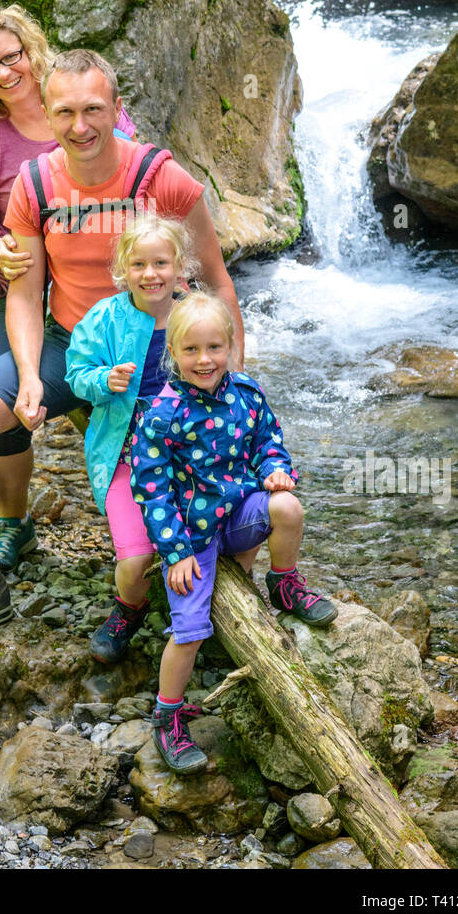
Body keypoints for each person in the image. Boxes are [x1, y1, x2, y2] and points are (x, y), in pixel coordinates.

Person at [0, 49, 244, 650]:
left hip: (167, 350)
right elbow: (24, 292)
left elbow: (215, 281)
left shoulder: (161, 178)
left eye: (93, 110)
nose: (80, 126)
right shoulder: (35, 184)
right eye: (65, 112)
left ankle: (221, 578)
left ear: (116, 108)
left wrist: (232, 383)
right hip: (71, 346)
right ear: (49, 114)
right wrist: (30, 376)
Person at [0, 5, 136, 574]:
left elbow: (133, 182)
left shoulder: (81, 110)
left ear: (32, 51)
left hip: (84, 296)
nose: (4, 73)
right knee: (0, 418)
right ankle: (12, 524)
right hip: (4, 289)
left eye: (12, 57)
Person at [130, 291, 336, 775]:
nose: (204, 360)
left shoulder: (246, 393)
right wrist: (177, 551)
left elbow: (269, 442)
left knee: (288, 507)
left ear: (230, 346)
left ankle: (284, 582)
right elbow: (151, 490)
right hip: (191, 535)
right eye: (191, 350)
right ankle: (168, 713)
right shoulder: (161, 414)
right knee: (189, 629)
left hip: (238, 516)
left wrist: (275, 470)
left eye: (215, 348)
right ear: (173, 353)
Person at [65, 215, 197, 664]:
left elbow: (224, 370)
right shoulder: (106, 317)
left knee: (217, 529)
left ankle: (201, 611)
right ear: (123, 269)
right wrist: (104, 379)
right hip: (127, 455)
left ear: (180, 267)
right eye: (138, 264)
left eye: (161, 262)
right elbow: (75, 376)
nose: (150, 274)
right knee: (136, 558)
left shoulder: (193, 314)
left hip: (189, 455)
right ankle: (130, 608)